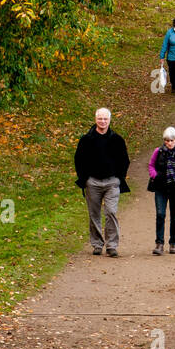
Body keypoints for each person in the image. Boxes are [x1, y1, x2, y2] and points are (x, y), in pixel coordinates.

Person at [74, 107, 130, 257]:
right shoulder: (86, 139)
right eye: (100, 118)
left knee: (111, 212)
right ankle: (97, 244)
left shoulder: (117, 139)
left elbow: (125, 160)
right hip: (92, 182)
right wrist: (85, 179)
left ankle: (112, 245)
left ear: (110, 120)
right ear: (95, 119)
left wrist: (119, 177)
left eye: (105, 119)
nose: (103, 121)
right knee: (94, 214)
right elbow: (79, 160)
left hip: (112, 182)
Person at [147, 126, 175, 255]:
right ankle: (159, 244)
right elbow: (151, 165)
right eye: (167, 140)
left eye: (172, 140)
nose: (169, 143)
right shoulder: (158, 151)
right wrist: (155, 175)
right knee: (160, 214)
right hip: (160, 188)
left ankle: (173, 243)